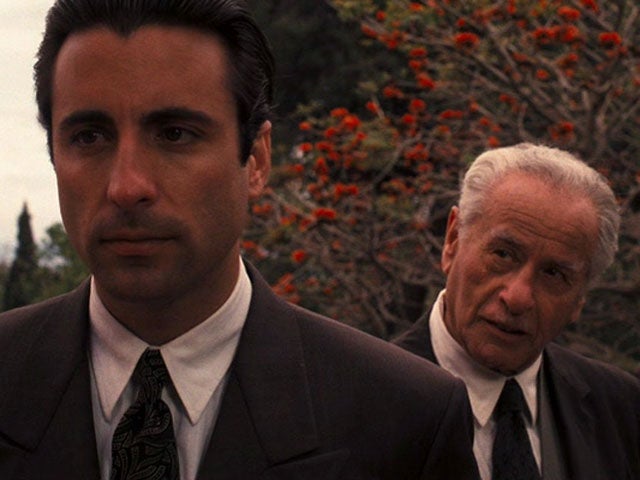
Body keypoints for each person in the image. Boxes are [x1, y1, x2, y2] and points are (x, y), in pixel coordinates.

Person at [0, 1, 480, 479]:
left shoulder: (406, 421)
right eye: (89, 137)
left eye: (174, 134)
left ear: (257, 160)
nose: (127, 187)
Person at [395, 143, 640, 480]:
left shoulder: (621, 411)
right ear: (452, 240)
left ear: (580, 298)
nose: (518, 297)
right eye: (503, 254)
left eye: (553, 274)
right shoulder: (361, 403)